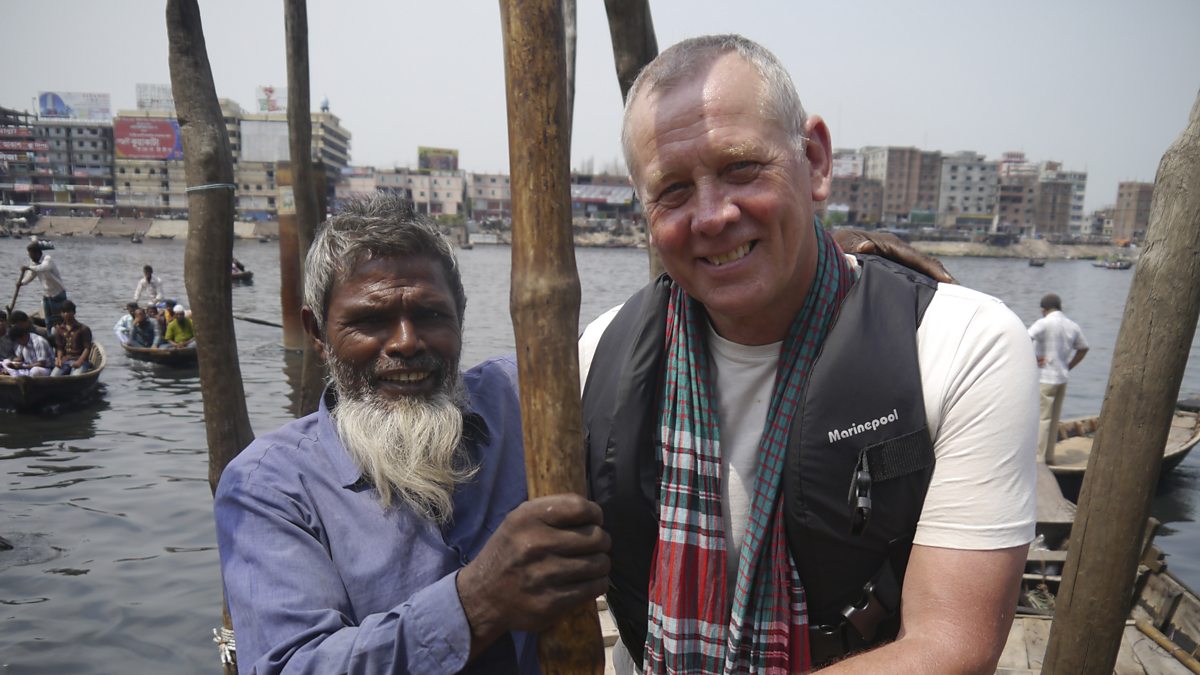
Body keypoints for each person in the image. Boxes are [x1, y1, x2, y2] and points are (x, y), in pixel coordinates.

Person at [579, 35, 1038, 673]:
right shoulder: (599, 355)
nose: (712, 216)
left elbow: (948, 649)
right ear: (645, 211)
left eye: (741, 168)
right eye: (674, 191)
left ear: (815, 161)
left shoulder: (964, 346)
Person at [213, 194, 611, 673]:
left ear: (459, 317)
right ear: (317, 333)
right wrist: (476, 602)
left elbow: (629, 343)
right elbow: (292, 665)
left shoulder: (526, 398)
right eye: (370, 320)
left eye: (429, 315)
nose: (406, 342)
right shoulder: (268, 485)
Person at [1027, 292, 1089, 462]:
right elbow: (1083, 348)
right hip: (1062, 377)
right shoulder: (1072, 325)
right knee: (1054, 419)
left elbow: (1025, 338)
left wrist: (1033, 359)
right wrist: (1068, 366)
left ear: (1043, 309)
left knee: (1042, 419)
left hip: (1045, 377)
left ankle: (1038, 460)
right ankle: (1049, 456)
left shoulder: (1044, 323)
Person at [18, 242, 68, 332]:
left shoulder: (47, 259)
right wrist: (21, 283)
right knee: (48, 321)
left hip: (57, 295)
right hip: (47, 295)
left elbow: (43, 268)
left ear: (37, 253)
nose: (30, 257)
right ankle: (50, 337)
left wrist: (28, 267)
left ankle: (61, 338)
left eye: (31, 255)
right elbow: (31, 275)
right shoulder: (34, 264)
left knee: (59, 320)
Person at [1, 310, 54, 376]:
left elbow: (41, 363)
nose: (18, 344)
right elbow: (19, 357)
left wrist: (23, 367)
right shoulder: (21, 344)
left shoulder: (38, 341)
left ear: (23, 337)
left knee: (35, 371)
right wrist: (13, 364)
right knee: (6, 361)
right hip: (29, 366)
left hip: (45, 368)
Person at [51, 300, 93, 376]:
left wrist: (80, 361)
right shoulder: (59, 329)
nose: (66, 314)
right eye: (63, 312)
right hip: (65, 360)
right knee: (53, 376)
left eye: (68, 312)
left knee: (75, 376)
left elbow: (87, 348)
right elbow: (60, 348)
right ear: (61, 314)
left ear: (74, 312)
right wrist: (59, 359)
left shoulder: (83, 329)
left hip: (80, 360)